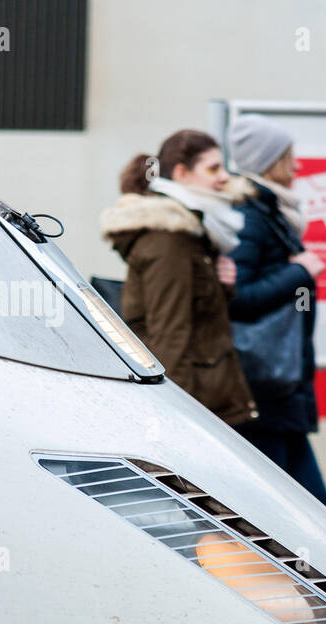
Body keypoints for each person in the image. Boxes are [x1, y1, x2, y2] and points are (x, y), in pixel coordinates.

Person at [101, 129, 258, 429]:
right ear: (183, 173)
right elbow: (169, 336)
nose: (225, 177)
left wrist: (222, 286)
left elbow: (200, 320)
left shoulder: (195, 232)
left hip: (206, 400)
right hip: (194, 408)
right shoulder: (171, 238)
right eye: (213, 168)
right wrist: (177, 422)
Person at [223, 114, 326, 506]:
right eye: (289, 157)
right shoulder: (253, 216)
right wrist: (300, 271)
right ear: (270, 162)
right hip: (264, 386)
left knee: (307, 506)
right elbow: (242, 298)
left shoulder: (269, 213)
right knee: (298, 508)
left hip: (278, 387)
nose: (297, 167)